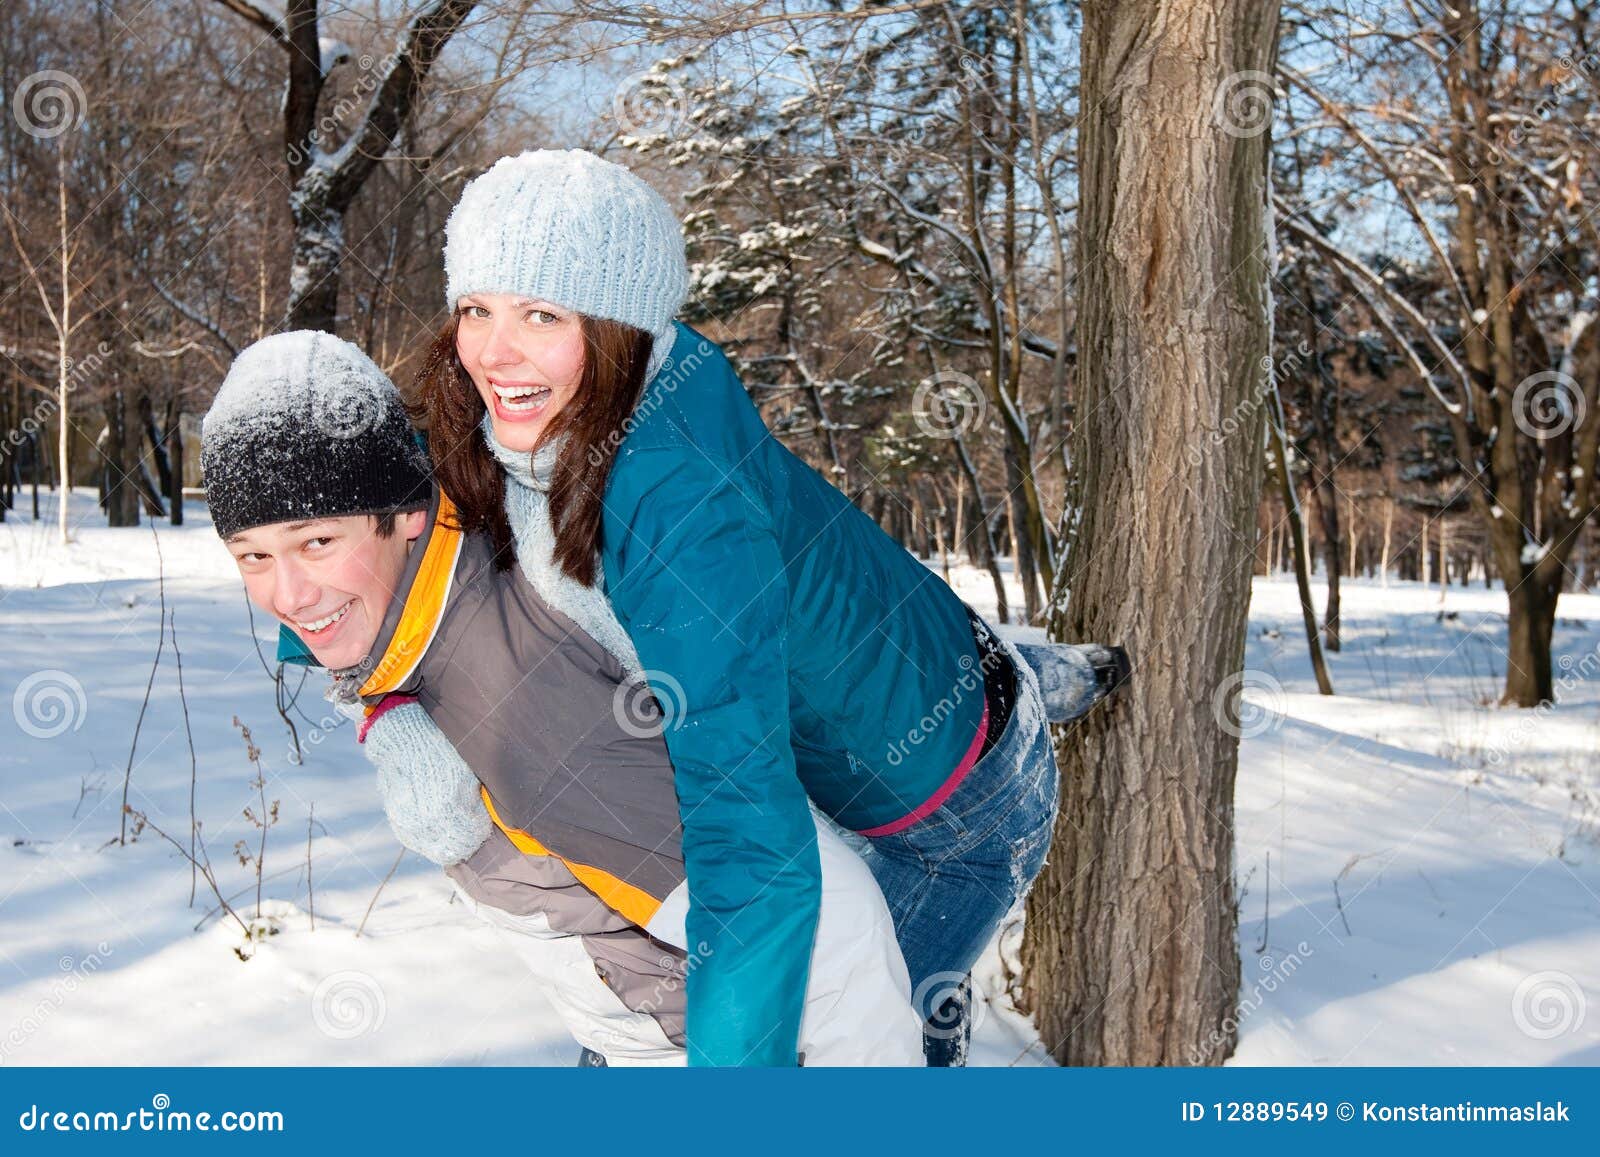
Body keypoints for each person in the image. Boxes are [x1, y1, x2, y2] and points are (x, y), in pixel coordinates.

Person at [418, 149, 1130, 1066]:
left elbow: (753, 852)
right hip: (932, 644)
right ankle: (1056, 670)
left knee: (853, 1048)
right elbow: (346, 508)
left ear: (618, 325)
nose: (493, 350)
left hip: (956, 820)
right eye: (478, 307)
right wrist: (312, 604)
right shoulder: (638, 379)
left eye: (541, 315)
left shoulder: (685, 514)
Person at [200, 330, 925, 1066]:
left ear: (405, 514)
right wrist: (385, 701)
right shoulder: (443, 558)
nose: (287, 594)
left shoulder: (528, 715)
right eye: (254, 556)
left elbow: (833, 929)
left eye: (317, 543)